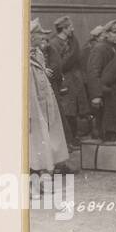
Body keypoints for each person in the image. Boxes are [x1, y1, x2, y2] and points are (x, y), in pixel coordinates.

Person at [28, 18, 69, 174]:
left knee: (46, 139)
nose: (43, 38)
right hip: (33, 106)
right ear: (31, 36)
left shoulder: (37, 54)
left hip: (45, 103)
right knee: (35, 141)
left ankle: (43, 173)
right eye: (40, 35)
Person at [49, 15, 86, 148]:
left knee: (74, 110)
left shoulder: (71, 42)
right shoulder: (54, 44)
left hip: (74, 81)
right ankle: (67, 141)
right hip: (63, 82)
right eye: (70, 27)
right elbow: (58, 65)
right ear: (64, 29)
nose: (72, 29)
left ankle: (73, 138)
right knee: (66, 111)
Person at [97, 20, 116, 140]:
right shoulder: (100, 49)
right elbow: (93, 73)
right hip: (107, 93)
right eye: (115, 32)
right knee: (109, 127)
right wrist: (97, 95)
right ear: (106, 33)